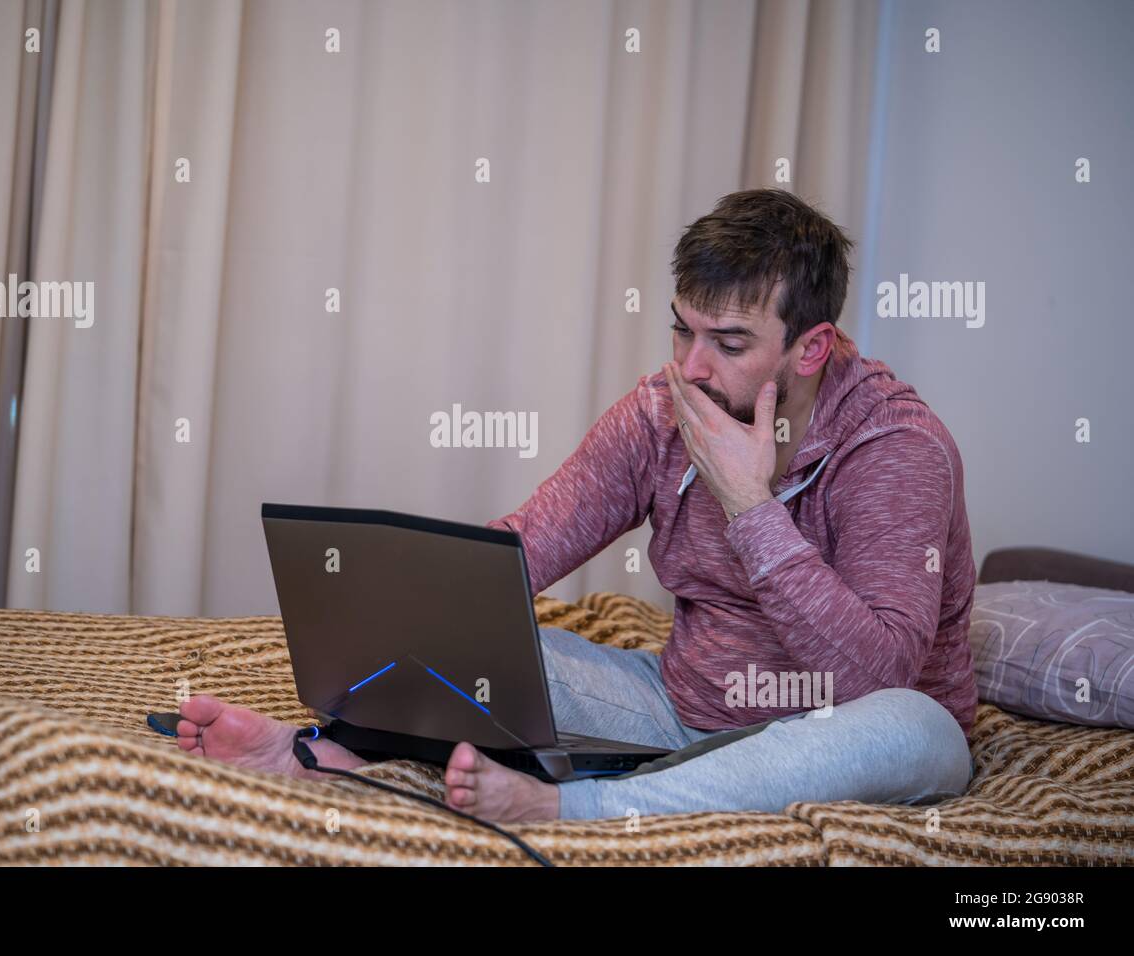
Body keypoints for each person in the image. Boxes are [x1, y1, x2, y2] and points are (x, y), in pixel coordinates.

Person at [176, 188, 979, 824]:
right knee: (483, 644)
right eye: (682, 332)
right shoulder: (665, 409)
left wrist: (747, 501)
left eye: (729, 344)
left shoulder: (898, 448)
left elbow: (874, 675)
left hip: (835, 731)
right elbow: (519, 552)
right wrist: (412, 614)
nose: (691, 369)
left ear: (812, 347)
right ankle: (318, 753)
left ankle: (575, 806)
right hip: (677, 706)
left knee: (912, 729)